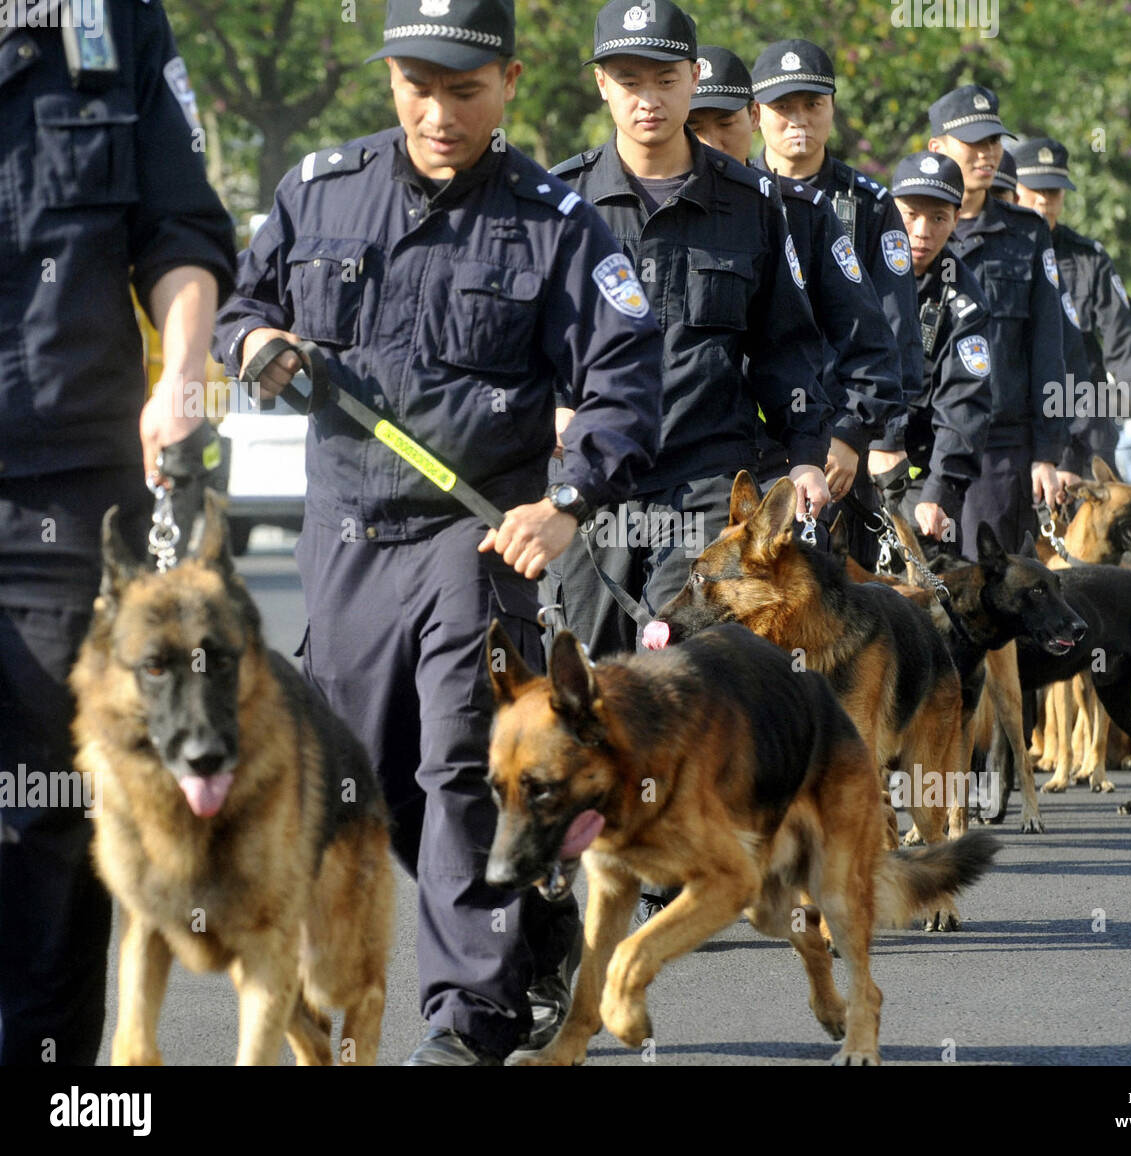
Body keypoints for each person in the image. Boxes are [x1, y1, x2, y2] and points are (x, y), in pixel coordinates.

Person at [217, 0, 664, 1066]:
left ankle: (466, 1019)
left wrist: (567, 502)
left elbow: (623, 379)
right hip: (344, 533)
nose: (439, 112)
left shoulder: (556, 222)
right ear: (390, 82)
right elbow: (240, 307)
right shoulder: (318, 190)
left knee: (460, 768)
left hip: (477, 539)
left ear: (508, 83)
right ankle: (537, 916)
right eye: (418, 86)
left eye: (464, 90)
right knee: (358, 776)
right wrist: (257, 344)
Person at [0, 0, 236, 1065]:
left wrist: (182, 377)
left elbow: (178, 227)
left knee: (57, 800)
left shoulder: (115, 24)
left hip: (73, 481)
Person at [547, 1, 831, 663]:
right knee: (594, 683)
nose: (649, 98)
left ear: (694, 76)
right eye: (629, 80)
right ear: (602, 85)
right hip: (594, 483)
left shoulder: (752, 201)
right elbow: (525, 339)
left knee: (692, 672)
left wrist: (808, 451)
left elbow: (786, 346)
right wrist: (551, 404)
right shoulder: (562, 203)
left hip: (706, 482)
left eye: (666, 79)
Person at [684, 45, 905, 506]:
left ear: (748, 116)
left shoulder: (806, 212)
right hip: (689, 466)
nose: (710, 143)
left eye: (724, 124)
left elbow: (874, 340)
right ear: (763, 113)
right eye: (695, 128)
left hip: (801, 458)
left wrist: (849, 433)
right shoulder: (659, 214)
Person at [749, 38, 923, 566]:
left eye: (812, 104)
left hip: (839, 448)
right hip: (746, 442)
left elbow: (892, 333)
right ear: (757, 114)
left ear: (832, 109)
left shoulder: (868, 205)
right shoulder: (735, 196)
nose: (797, 119)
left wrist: (855, 436)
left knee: (840, 610)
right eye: (782, 107)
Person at [927, 84, 1069, 553]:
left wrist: (1047, 453)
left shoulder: (1025, 234)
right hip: (920, 451)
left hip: (1001, 454)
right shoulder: (903, 224)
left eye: (993, 142)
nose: (987, 154)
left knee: (994, 602)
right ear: (938, 148)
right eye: (973, 143)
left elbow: (1049, 348)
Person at [1010, 136, 1131, 474]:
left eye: (1053, 191)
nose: (1044, 200)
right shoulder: (998, 253)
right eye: (1035, 189)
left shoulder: (1088, 258)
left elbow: (1125, 338)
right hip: (1019, 422)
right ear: (1015, 190)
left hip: (1084, 415)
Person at [888, 152, 993, 558]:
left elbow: (964, 402)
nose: (922, 231)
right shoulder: (853, 268)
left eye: (938, 218)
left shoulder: (964, 299)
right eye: (910, 214)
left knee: (928, 591)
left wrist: (940, 489)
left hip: (920, 471)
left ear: (955, 219)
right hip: (840, 456)